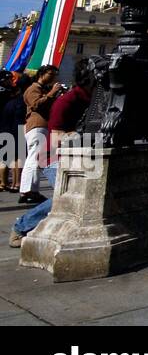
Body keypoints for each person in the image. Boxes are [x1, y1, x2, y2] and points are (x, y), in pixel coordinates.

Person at [11, 59, 93, 246]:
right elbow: (56, 136)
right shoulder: (66, 100)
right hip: (52, 155)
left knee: (78, 193)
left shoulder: (91, 100)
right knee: (66, 193)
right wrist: (77, 135)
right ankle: (21, 226)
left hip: (73, 154)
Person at [19, 65, 63, 204]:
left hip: (41, 126)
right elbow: (36, 104)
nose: (53, 77)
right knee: (33, 158)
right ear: (42, 74)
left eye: (55, 74)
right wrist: (51, 93)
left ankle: (32, 190)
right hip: (36, 126)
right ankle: (27, 191)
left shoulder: (42, 89)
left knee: (36, 159)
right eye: (51, 74)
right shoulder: (33, 89)